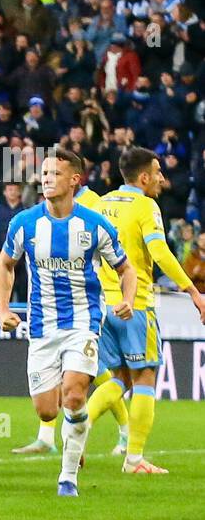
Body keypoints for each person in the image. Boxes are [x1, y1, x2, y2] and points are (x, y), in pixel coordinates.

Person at [0, 151, 136, 497]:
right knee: (47, 410)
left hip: (83, 321)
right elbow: (5, 265)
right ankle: (77, 426)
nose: (46, 178)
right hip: (42, 326)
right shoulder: (25, 223)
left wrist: (127, 299)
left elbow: (125, 268)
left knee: (73, 394)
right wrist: (2, 309)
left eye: (54, 173)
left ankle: (68, 477)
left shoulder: (95, 225)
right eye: (43, 173)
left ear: (75, 180)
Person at [84, 147, 205, 473]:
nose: (163, 179)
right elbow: (160, 252)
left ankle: (77, 432)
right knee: (145, 377)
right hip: (135, 305)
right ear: (144, 177)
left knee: (118, 379)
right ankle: (134, 459)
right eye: (158, 172)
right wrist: (193, 291)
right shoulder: (145, 205)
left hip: (103, 306)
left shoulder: (103, 202)